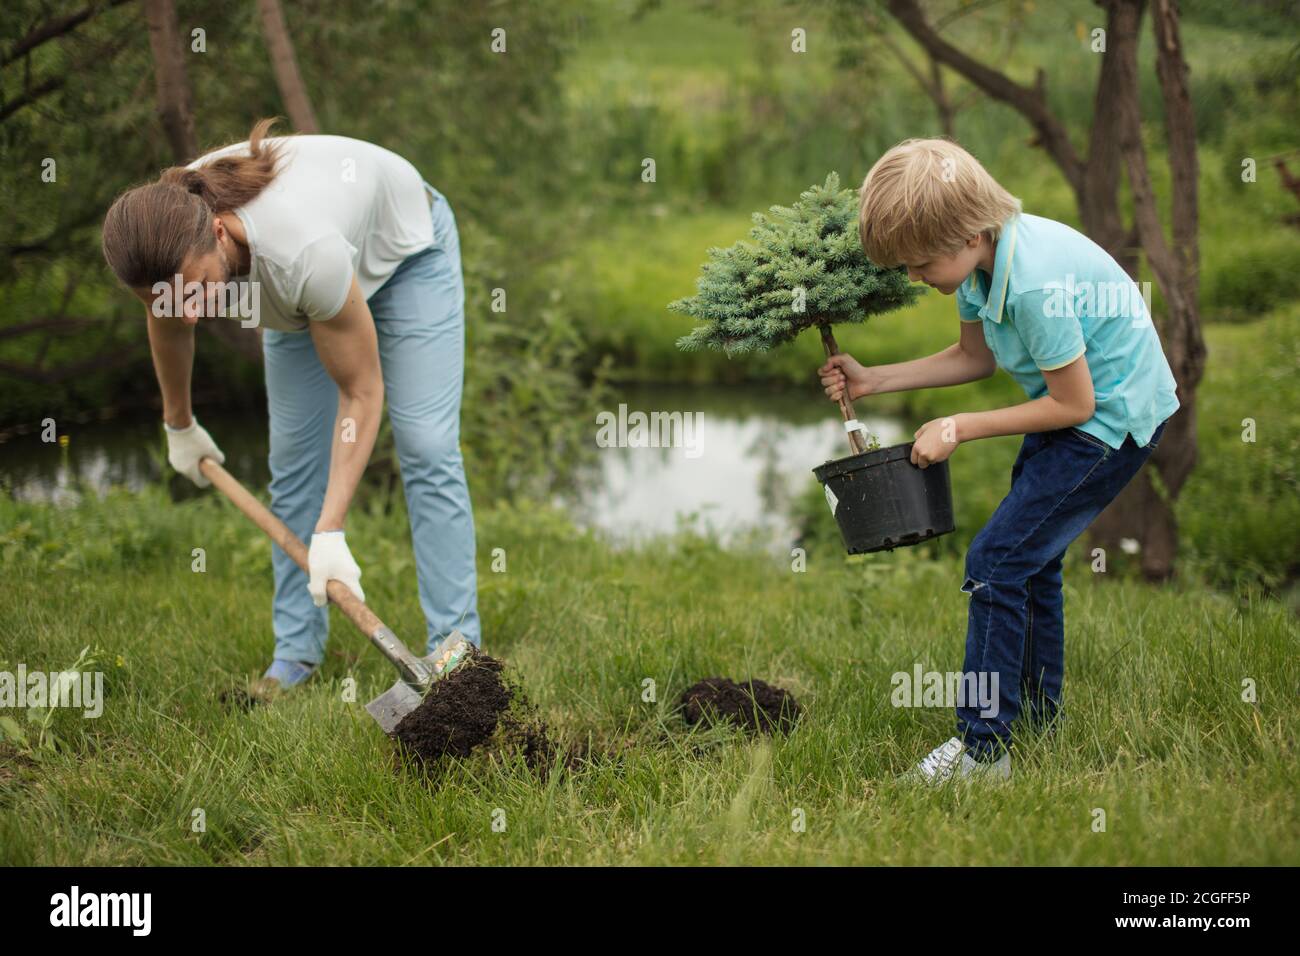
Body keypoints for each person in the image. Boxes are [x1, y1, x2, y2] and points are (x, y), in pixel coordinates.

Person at [821, 138, 1179, 782]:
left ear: (965, 234)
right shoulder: (984, 262)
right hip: (1076, 411)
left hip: (1112, 423)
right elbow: (974, 358)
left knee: (996, 561)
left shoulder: (1035, 282)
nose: (914, 277)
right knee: (1028, 560)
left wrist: (959, 426)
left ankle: (983, 751)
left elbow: (1075, 405)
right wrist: (875, 380)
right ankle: (1039, 721)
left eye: (921, 262)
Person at [101, 118, 482, 695]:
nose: (189, 312)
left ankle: (459, 655)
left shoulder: (302, 249)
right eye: (166, 300)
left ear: (220, 235)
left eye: (196, 290)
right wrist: (179, 423)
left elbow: (362, 391)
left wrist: (330, 531)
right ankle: (295, 657)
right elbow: (172, 329)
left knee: (426, 444)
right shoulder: (165, 251)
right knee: (294, 465)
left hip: (406, 254)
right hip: (296, 294)